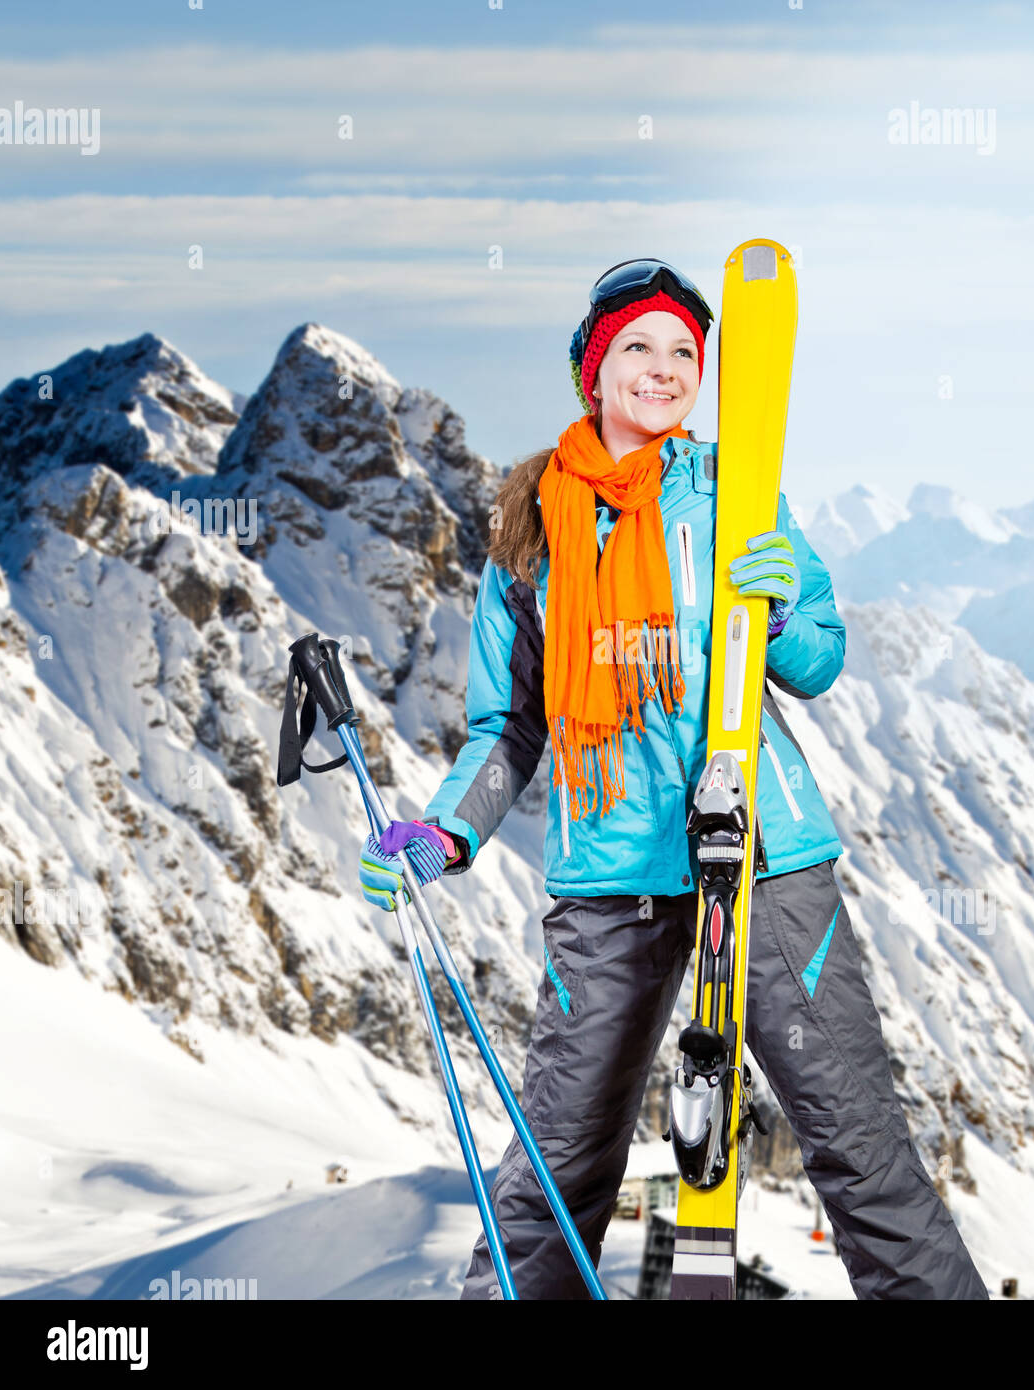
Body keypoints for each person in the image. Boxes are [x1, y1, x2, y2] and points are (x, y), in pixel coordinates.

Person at [358, 258, 989, 1301]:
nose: (662, 370)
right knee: (553, 1169)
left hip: (766, 855)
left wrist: (782, 612)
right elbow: (508, 727)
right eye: (636, 349)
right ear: (591, 371)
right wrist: (442, 834)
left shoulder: (735, 492)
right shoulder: (529, 538)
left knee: (856, 1151)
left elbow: (820, 660)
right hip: (609, 874)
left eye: (685, 353)